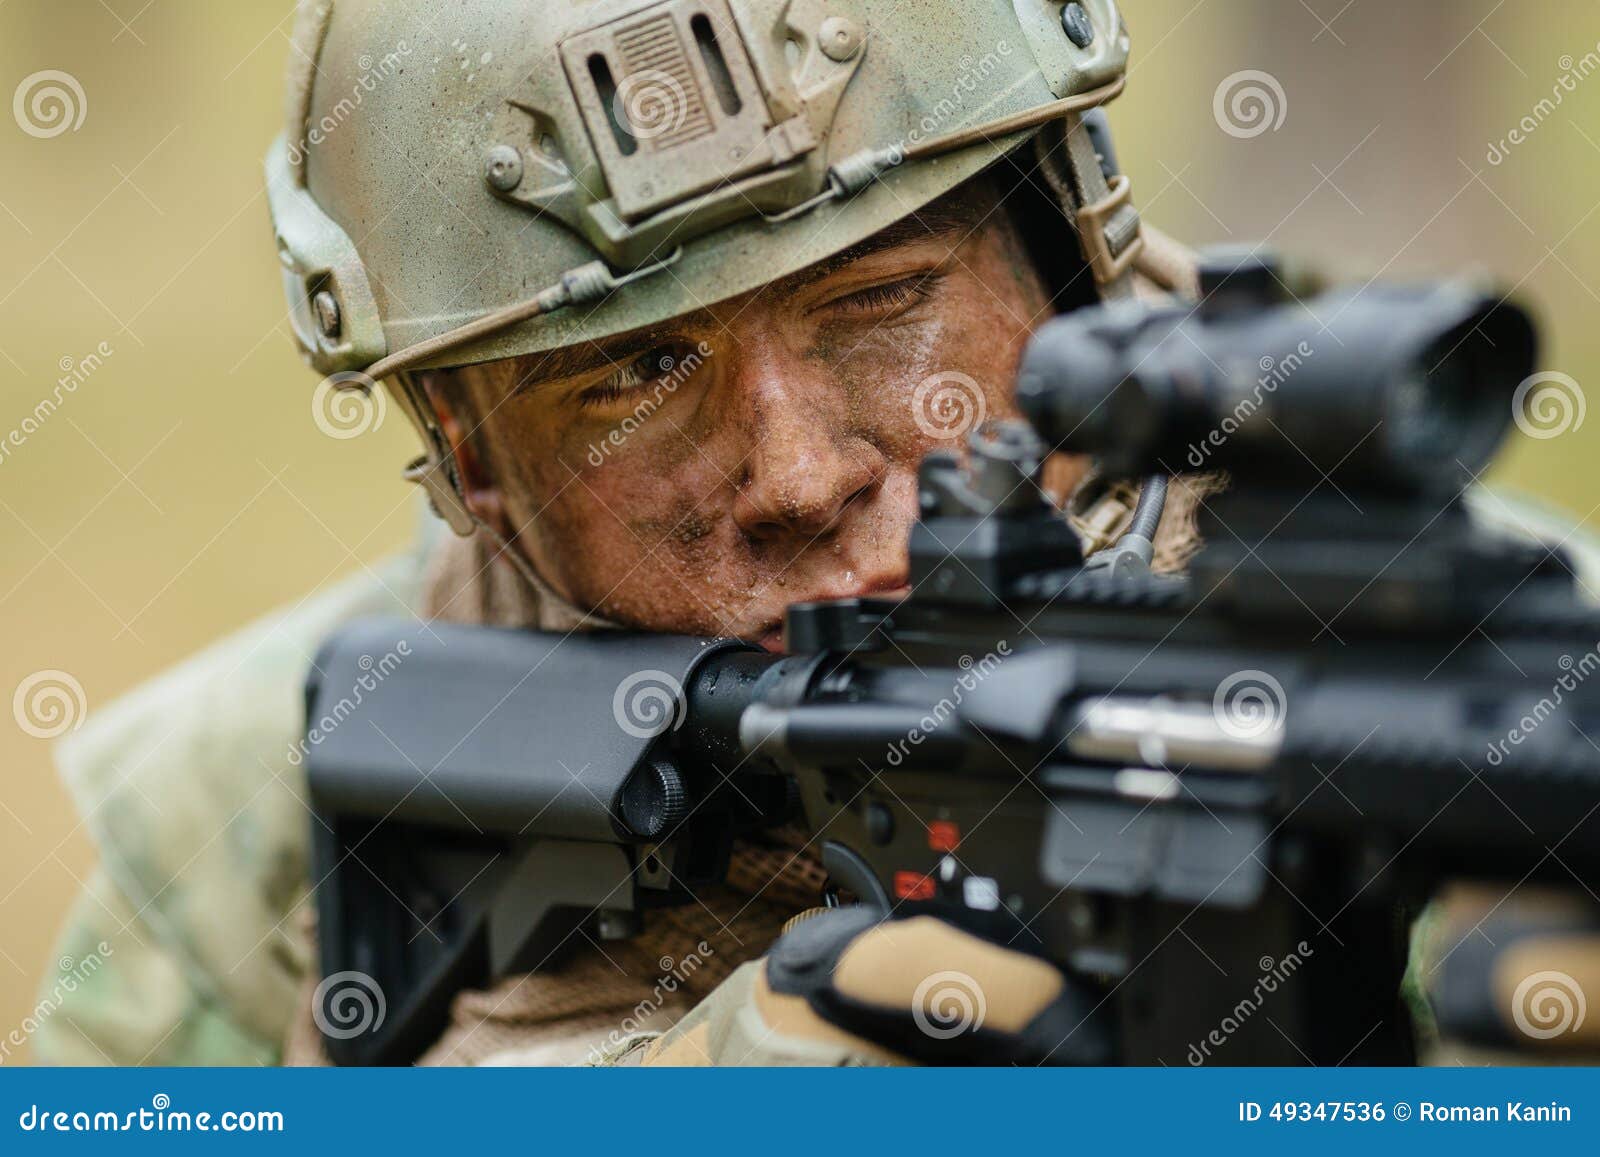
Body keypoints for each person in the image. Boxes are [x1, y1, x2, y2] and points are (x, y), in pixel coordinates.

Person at [32, 0, 1595, 1066]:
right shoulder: (246, 819)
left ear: (1075, 260)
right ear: (469, 459)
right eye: (631, 375)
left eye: (882, 301)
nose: (793, 471)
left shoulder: (1470, 687)